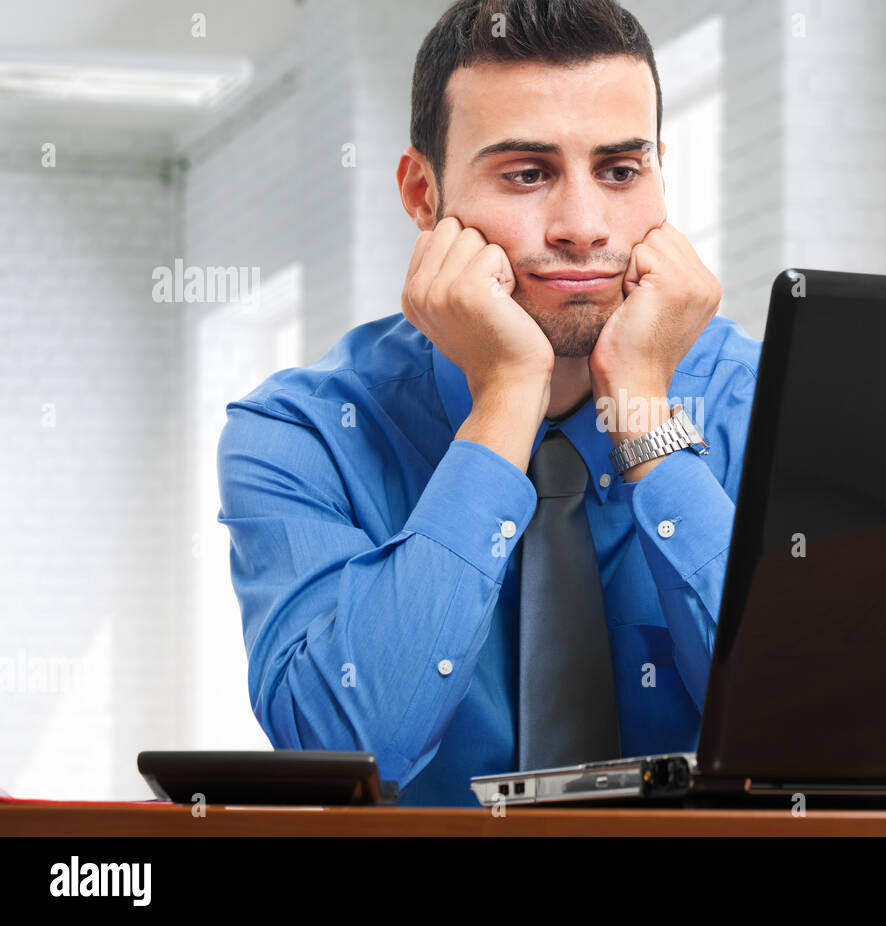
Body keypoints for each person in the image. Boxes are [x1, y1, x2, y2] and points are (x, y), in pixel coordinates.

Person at [217, 0, 761, 806]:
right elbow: (341, 750)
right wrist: (506, 398)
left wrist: (644, 415)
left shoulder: (757, 404)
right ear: (421, 195)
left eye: (620, 171)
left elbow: (818, 735)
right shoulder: (300, 434)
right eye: (528, 173)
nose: (583, 226)